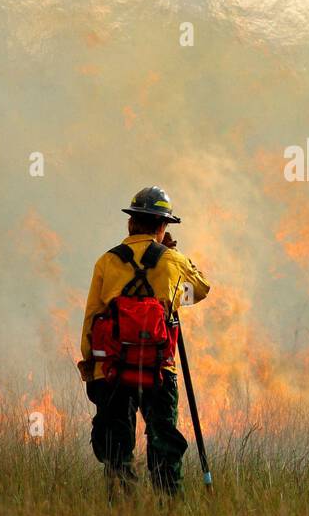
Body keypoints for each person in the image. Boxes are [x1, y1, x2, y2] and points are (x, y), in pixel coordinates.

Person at [78, 186, 210, 497]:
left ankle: (122, 504)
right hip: (159, 368)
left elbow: (92, 316)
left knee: (115, 440)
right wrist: (174, 288)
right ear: (163, 226)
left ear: (131, 222)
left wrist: (90, 363)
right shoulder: (172, 260)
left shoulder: (107, 262)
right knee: (163, 437)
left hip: (111, 368)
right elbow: (201, 289)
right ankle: (168, 503)